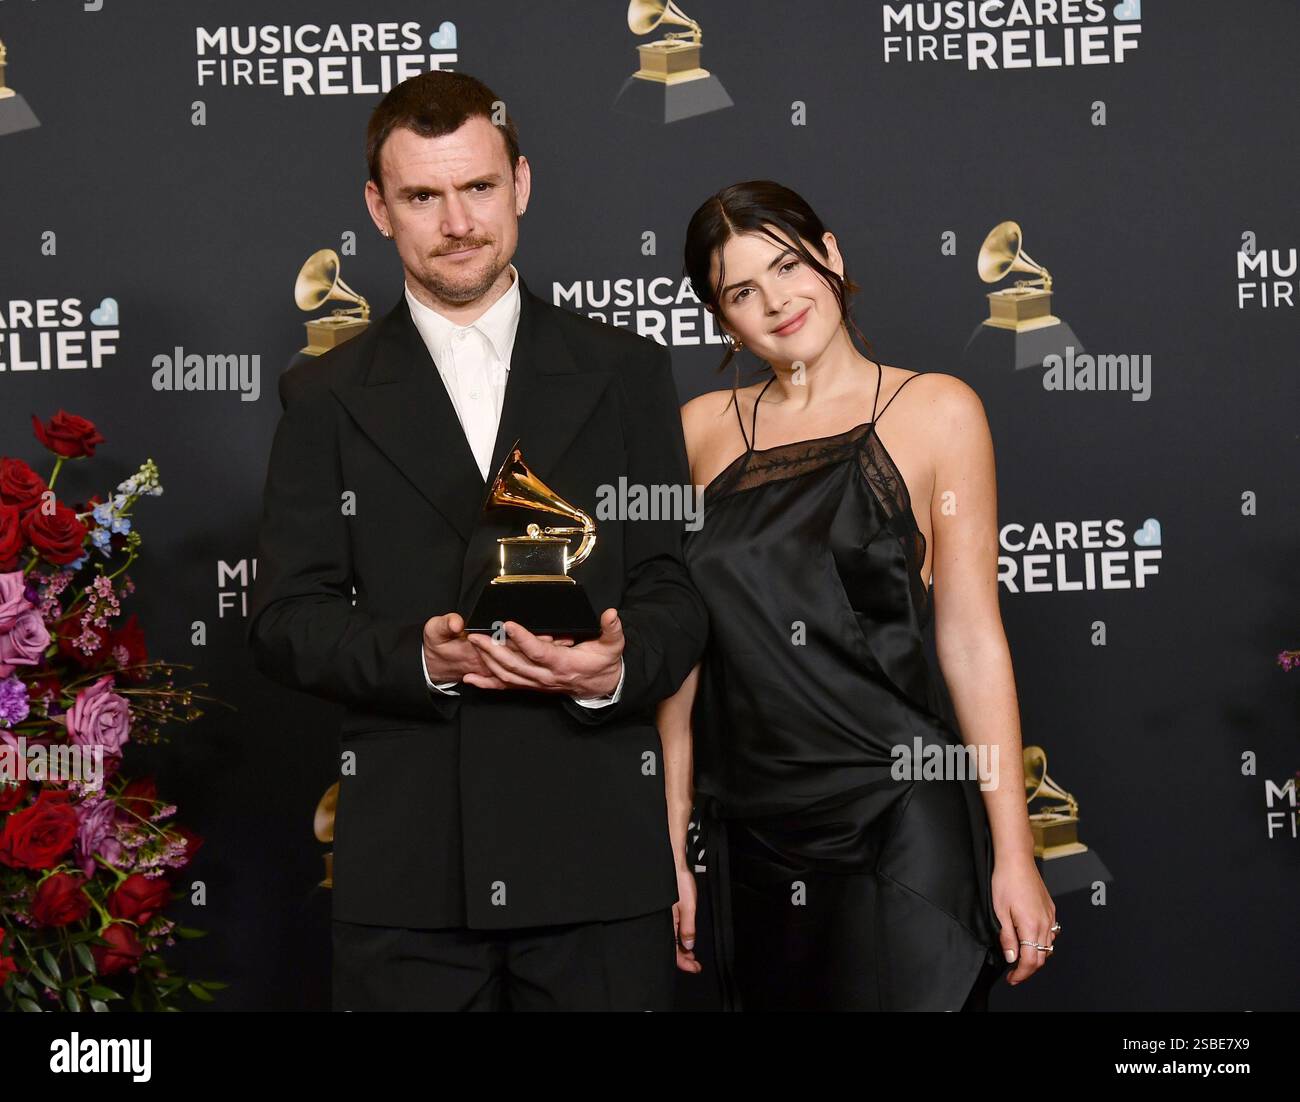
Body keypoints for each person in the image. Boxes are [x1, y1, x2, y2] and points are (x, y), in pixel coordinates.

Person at [247, 71, 707, 1011]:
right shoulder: (323, 397)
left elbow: (676, 589)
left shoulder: (627, 371)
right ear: (378, 209)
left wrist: (616, 666)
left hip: (598, 864)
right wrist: (420, 658)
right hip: (412, 879)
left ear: (522, 184)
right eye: (423, 195)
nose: (457, 222)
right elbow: (285, 618)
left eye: (479, 188)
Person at [657, 180, 1057, 1010]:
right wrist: (672, 847)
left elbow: (972, 641)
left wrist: (1014, 850)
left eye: (789, 265)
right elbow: (677, 662)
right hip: (751, 836)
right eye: (741, 290)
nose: (776, 301)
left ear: (831, 257)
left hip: (901, 816)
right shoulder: (695, 431)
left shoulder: (939, 410)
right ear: (720, 318)